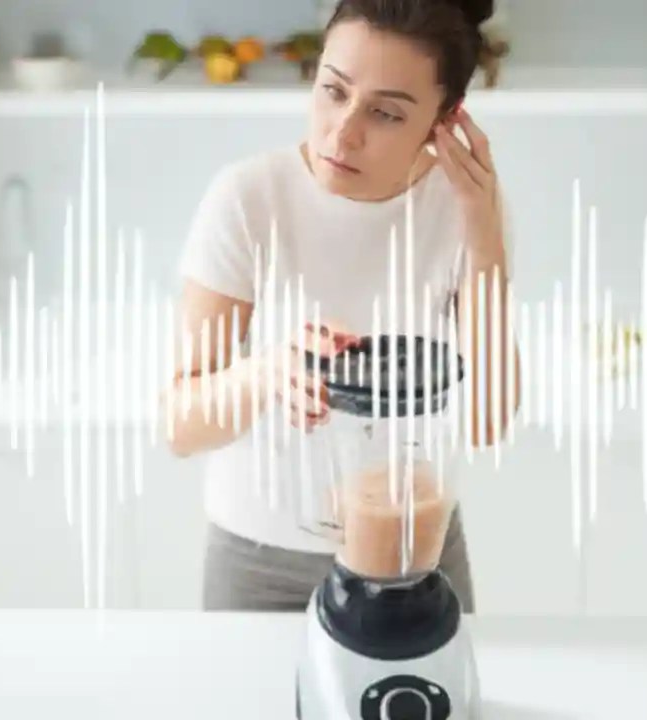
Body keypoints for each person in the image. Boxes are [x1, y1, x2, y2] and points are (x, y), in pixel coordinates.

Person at [166, 0, 520, 613]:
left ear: (444, 119)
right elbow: (179, 426)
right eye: (333, 91)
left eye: (385, 112)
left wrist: (484, 237)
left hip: (417, 553)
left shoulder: (465, 210)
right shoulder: (249, 199)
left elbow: (488, 420)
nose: (343, 131)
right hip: (260, 563)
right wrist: (265, 373)